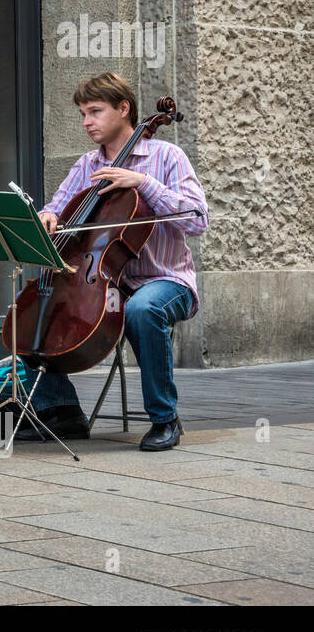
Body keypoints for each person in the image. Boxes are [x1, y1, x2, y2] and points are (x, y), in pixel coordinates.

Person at [17, 72, 208, 451]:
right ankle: (62, 410)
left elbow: (198, 219)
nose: (87, 121)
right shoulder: (88, 164)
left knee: (142, 308)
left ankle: (163, 418)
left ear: (123, 109)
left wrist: (143, 183)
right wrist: (48, 216)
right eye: (83, 114)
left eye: (95, 111)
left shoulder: (167, 157)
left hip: (165, 280)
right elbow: (57, 205)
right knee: (32, 308)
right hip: (104, 280)